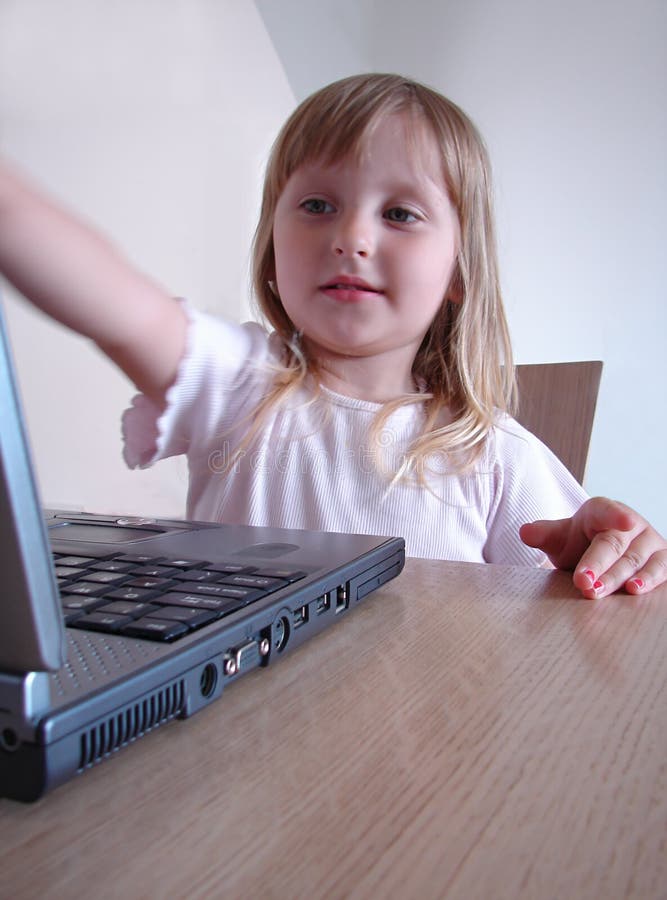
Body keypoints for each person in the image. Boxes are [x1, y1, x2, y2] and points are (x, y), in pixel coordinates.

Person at [0, 73, 665, 600]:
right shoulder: (236, 384)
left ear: (459, 273)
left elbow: (581, 595)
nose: (350, 237)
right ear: (272, 251)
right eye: (317, 205)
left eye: (399, 213)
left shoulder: (494, 456)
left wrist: (613, 554)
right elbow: (113, 301)